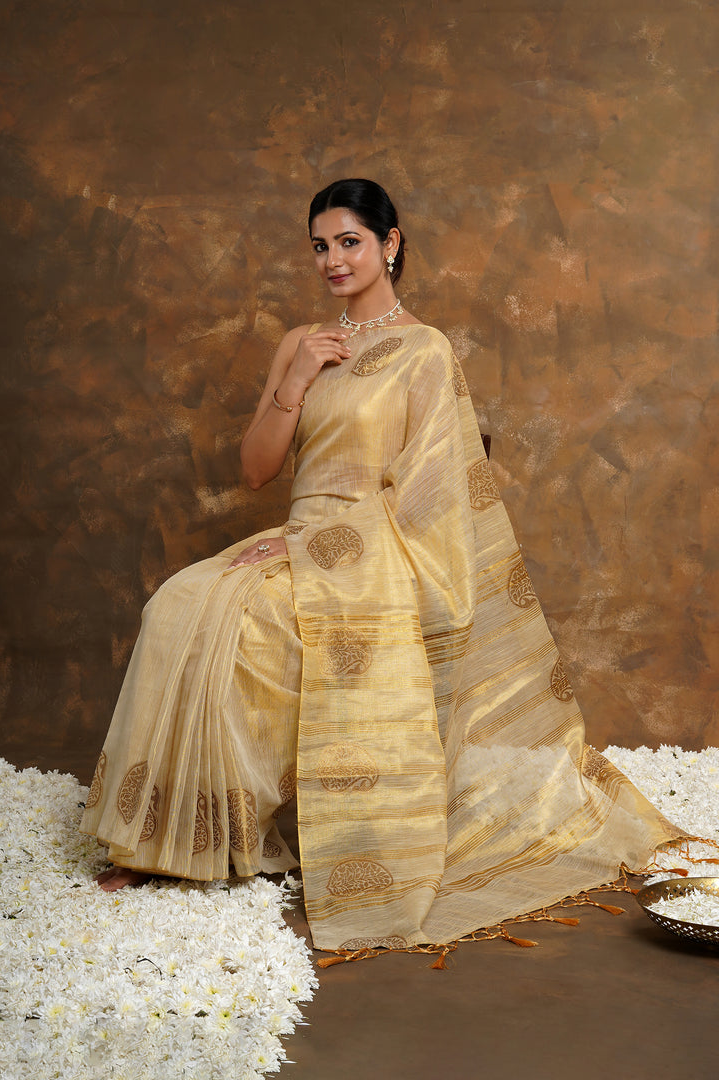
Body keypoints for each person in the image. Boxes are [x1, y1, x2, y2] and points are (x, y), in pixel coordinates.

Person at [81, 179, 682, 953]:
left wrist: (311, 545)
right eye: (320, 246)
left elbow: (429, 497)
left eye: (349, 242)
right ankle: (166, 840)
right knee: (179, 600)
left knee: (255, 627)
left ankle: (255, 840)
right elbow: (257, 470)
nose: (333, 260)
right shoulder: (299, 342)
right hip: (298, 539)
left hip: (379, 554)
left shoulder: (426, 351)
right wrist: (295, 381)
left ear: (390, 244)